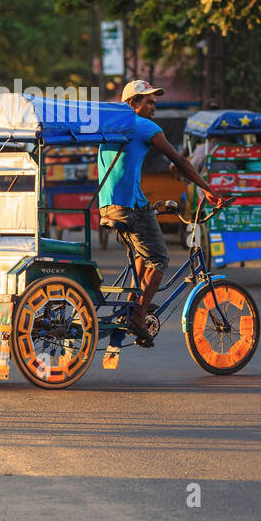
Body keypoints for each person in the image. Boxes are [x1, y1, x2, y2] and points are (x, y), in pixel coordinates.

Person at [100, 80, 223, 345]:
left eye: (155, 102)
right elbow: (179, 160)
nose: (154, 107)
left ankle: (134, 306)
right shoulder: (144, 126)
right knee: (159, 259)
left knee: (143, 249)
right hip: (129, 206)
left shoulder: (110, 126)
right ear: (132, 103)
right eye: (148, 102)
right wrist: (208, 189)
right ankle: (138, 315)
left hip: (109, 205)